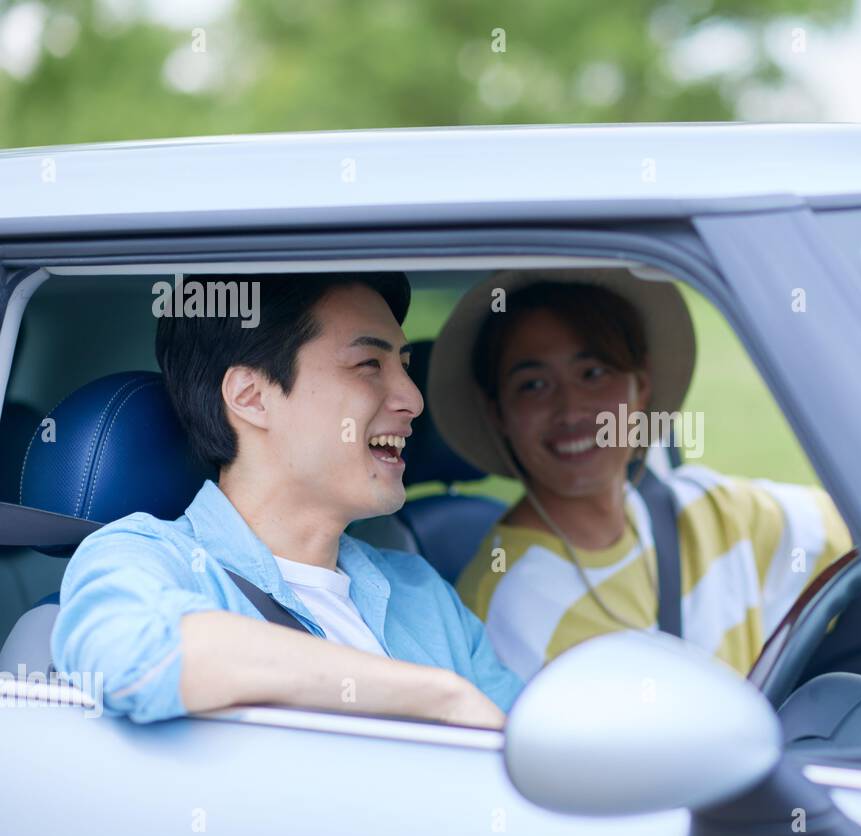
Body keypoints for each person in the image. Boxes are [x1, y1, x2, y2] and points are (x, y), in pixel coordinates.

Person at [53, 272, 522, 727]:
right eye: (368, 365)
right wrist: (437, 697)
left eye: (405, 366)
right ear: (252, 397)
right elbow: (135, 658)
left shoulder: (419, 592)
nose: (413, 399)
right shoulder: (146, 556)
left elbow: (526, 742)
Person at [434, 268, 852, 681]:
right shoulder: (502, 609)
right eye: (533, 385)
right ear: (498, 413)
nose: (571, 411)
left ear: (642, 386)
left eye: (593, 374)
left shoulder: (708, 511)